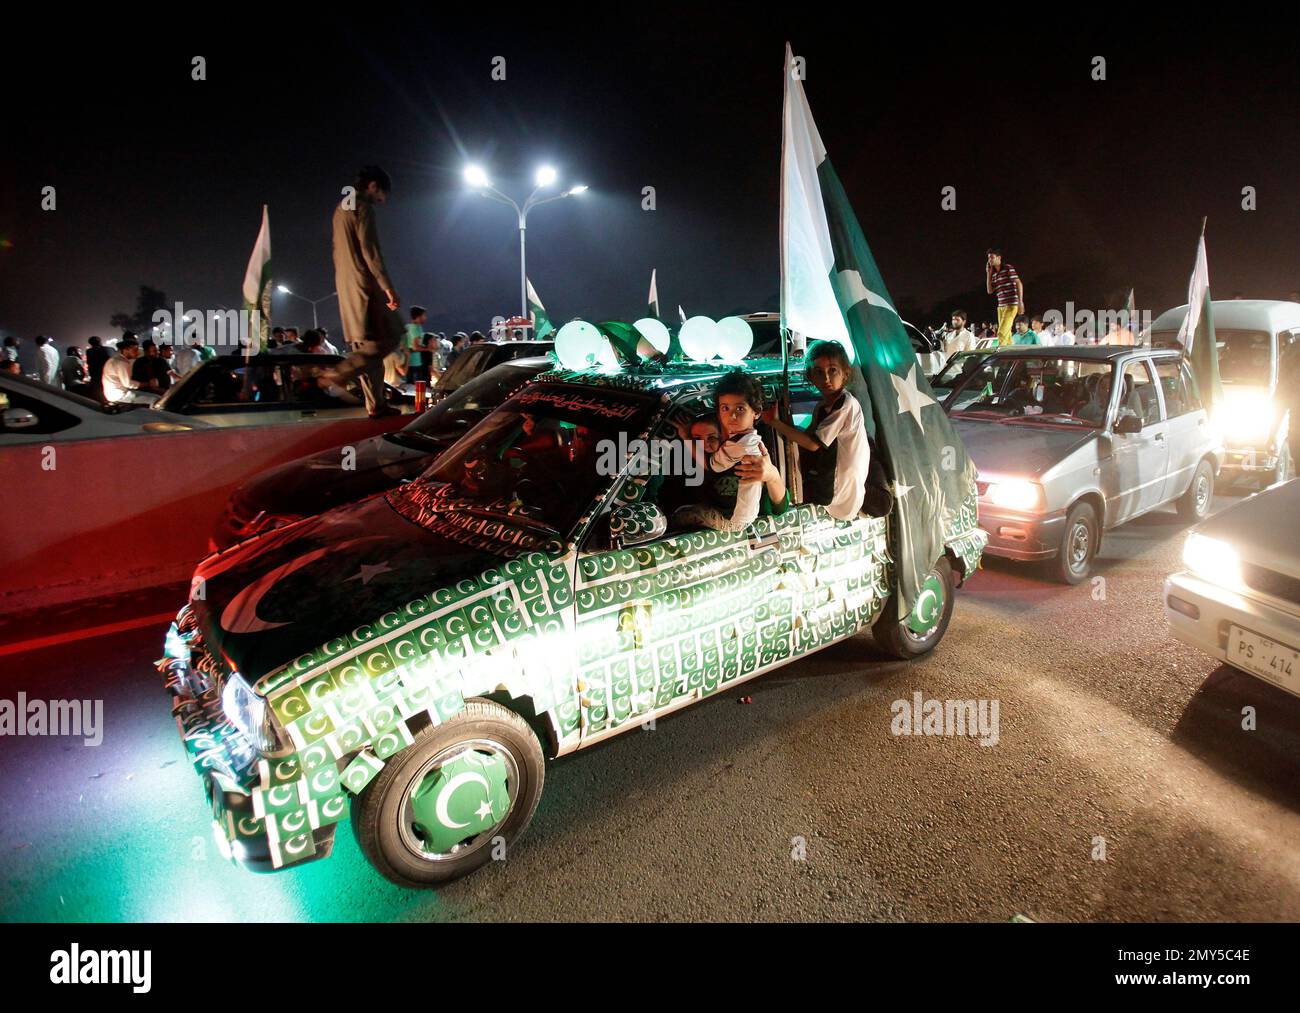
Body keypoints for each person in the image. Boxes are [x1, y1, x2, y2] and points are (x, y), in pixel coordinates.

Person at [764, 340, 871, 520]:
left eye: (832, 370)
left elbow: (813, 444)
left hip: (840, 490)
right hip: (834, 483)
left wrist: (774, 422)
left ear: (846, 373)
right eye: (819, 372)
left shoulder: (845, 404)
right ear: (811, 376)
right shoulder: (822, 407)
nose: (826, 378)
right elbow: (806, 437)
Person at [330, 164, 404, 417]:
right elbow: (371, 252)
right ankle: (338, 374)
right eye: (382, 194)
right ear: (373, 186)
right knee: (393, 333)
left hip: (345, 284)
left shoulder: (341, 208)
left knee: (367, 346)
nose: (382, 200)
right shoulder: (362, 207)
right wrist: (388, 288)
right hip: (364, 284)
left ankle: (376, 406)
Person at [674, 370, 789, 532]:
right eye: (725, 408)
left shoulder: (741, 445)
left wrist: (772, 475)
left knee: (679, 517)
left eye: (740, 408)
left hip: (737, 523)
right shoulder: (745, 440)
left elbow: (780, 509)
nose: (732, 416)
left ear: (756, 413)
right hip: (738, 519)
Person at [986, 248, 1024, 346]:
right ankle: (1010, 355)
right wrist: (989, 274)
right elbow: (990, 291)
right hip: (1001, 306)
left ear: (999, 258)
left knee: (1001, 332)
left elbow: (1018, 283)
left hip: (1011, 305)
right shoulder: (994, 275)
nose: (990, 260)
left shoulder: (1007, 268)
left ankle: (1000, 357)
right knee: (1007, 335)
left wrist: (1020, 302)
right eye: (988, 258)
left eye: (992, 257)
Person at [103, 335, 156, 404]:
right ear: (125, 350)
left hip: (113, 393)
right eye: (135, 350)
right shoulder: (121, 362)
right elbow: (128, 384)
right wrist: (148, 384)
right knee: (155, 399)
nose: (138, 353)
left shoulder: (114, 359)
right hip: (119, 395)